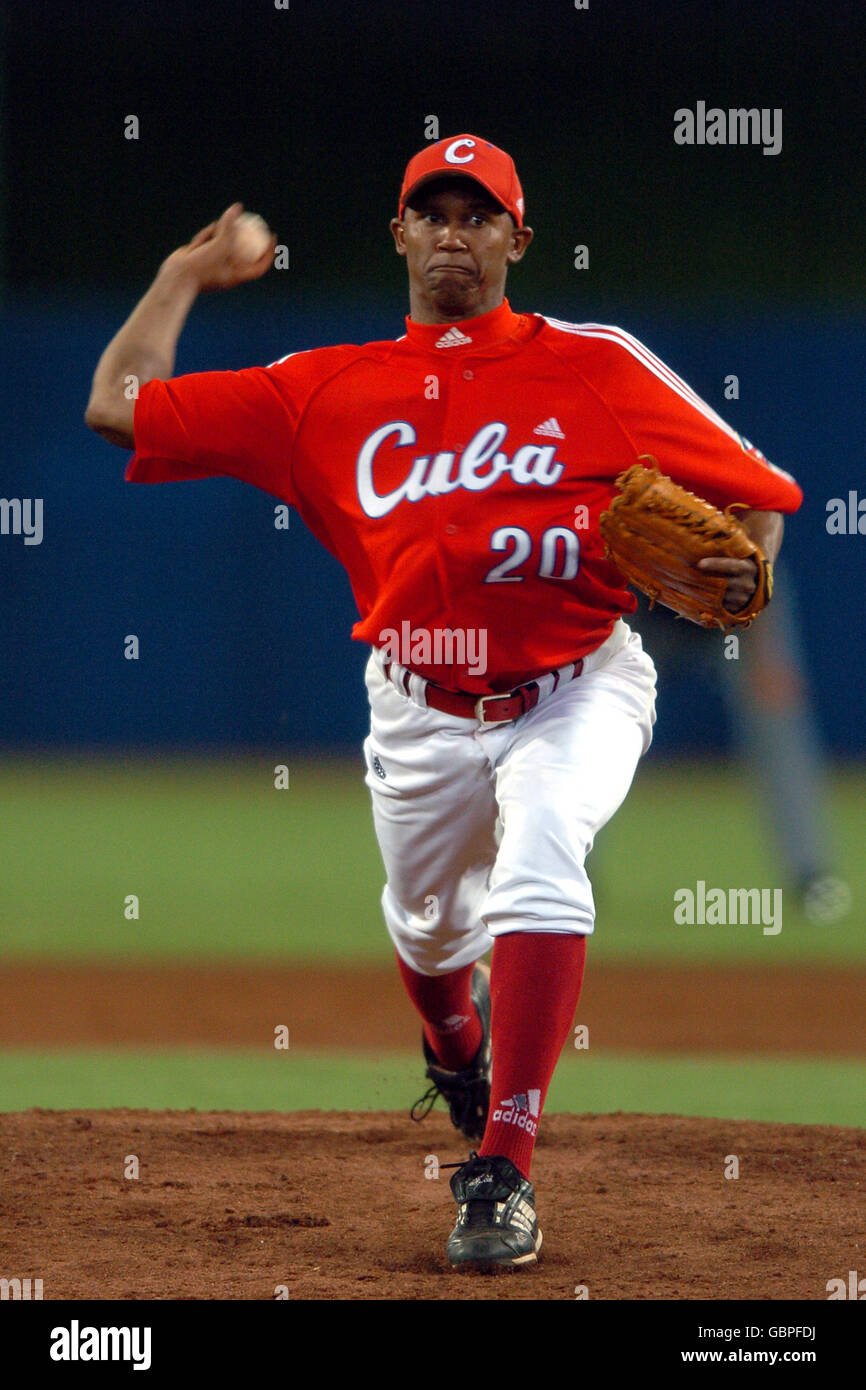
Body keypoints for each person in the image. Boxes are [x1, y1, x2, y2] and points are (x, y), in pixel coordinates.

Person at [85, 134, 802, 1272]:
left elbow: (759, 495)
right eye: (435, 212)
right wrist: (182, 274)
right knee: (425, 925)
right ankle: (452, 1043)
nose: (454, 233)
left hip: (574, 689)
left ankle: (502, 1170)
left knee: (543, 854)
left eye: (479, 215)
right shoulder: (323, 389)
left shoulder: (596, 366)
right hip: (415, 710)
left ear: (517, 240)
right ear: (401, 236)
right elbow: (119, 409)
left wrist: (741, 573)